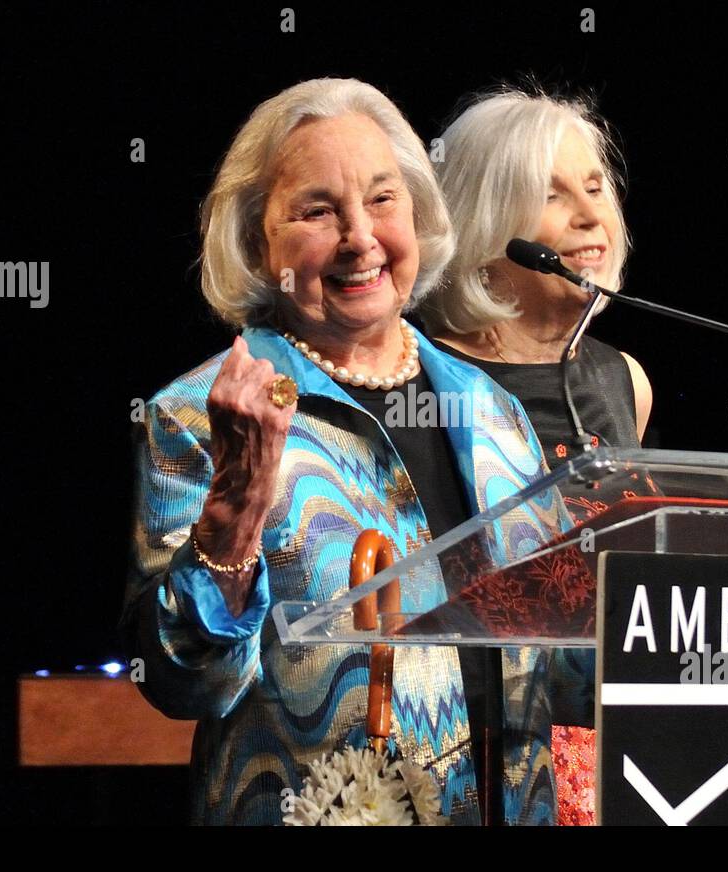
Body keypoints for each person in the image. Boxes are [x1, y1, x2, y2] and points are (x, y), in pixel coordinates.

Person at [120, 78, 592, 826]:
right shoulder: (202, 414)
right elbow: (184, 681)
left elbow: (566, 674)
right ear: (255, 242)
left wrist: (661, 577)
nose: (360, 237)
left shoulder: (491, 411)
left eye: (382, 199)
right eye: (317, 211)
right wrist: (236, 513)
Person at [419, 87, 654, 825]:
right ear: (488, 224)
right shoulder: (427, 383)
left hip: (617, 753)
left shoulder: (627, 380)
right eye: (553, 196)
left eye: (595, 188)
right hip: (478, 752)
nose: (591, 216)